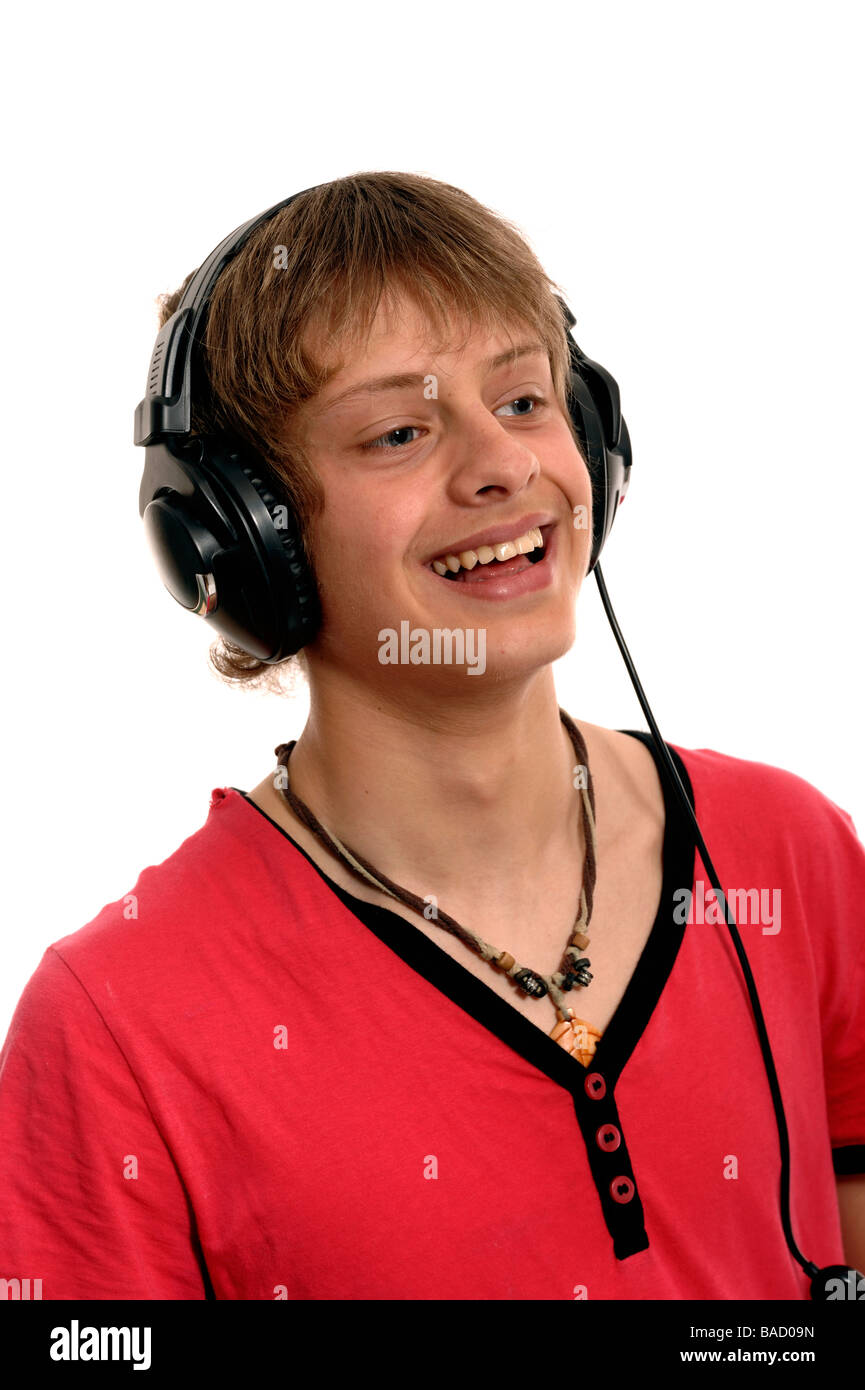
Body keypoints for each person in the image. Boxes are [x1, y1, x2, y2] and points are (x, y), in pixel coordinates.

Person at [1, 172, 863, 1301]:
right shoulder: (117, 1026)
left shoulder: (779, 851)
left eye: (521, 402)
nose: (502, 467)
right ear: (241, 536)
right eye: (399, 431)